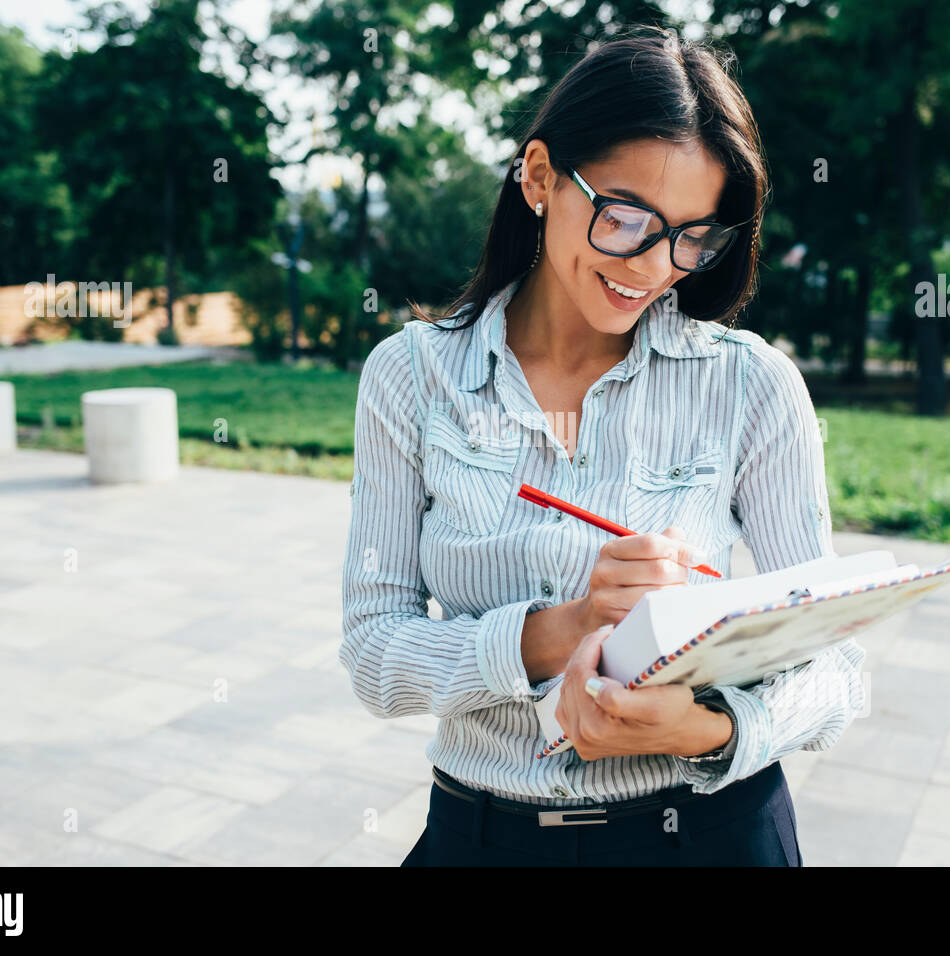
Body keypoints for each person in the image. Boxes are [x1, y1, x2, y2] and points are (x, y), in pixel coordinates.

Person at [340, 25, 866, 866]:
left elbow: (835, 668)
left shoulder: (749, 386)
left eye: (693, 236)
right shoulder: (413, 377)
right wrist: (565, 627)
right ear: (541, 178)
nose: (655, 268)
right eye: (627, 219)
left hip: (709, 835)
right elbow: (374, 655)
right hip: (483, 837)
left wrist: (706, 728)